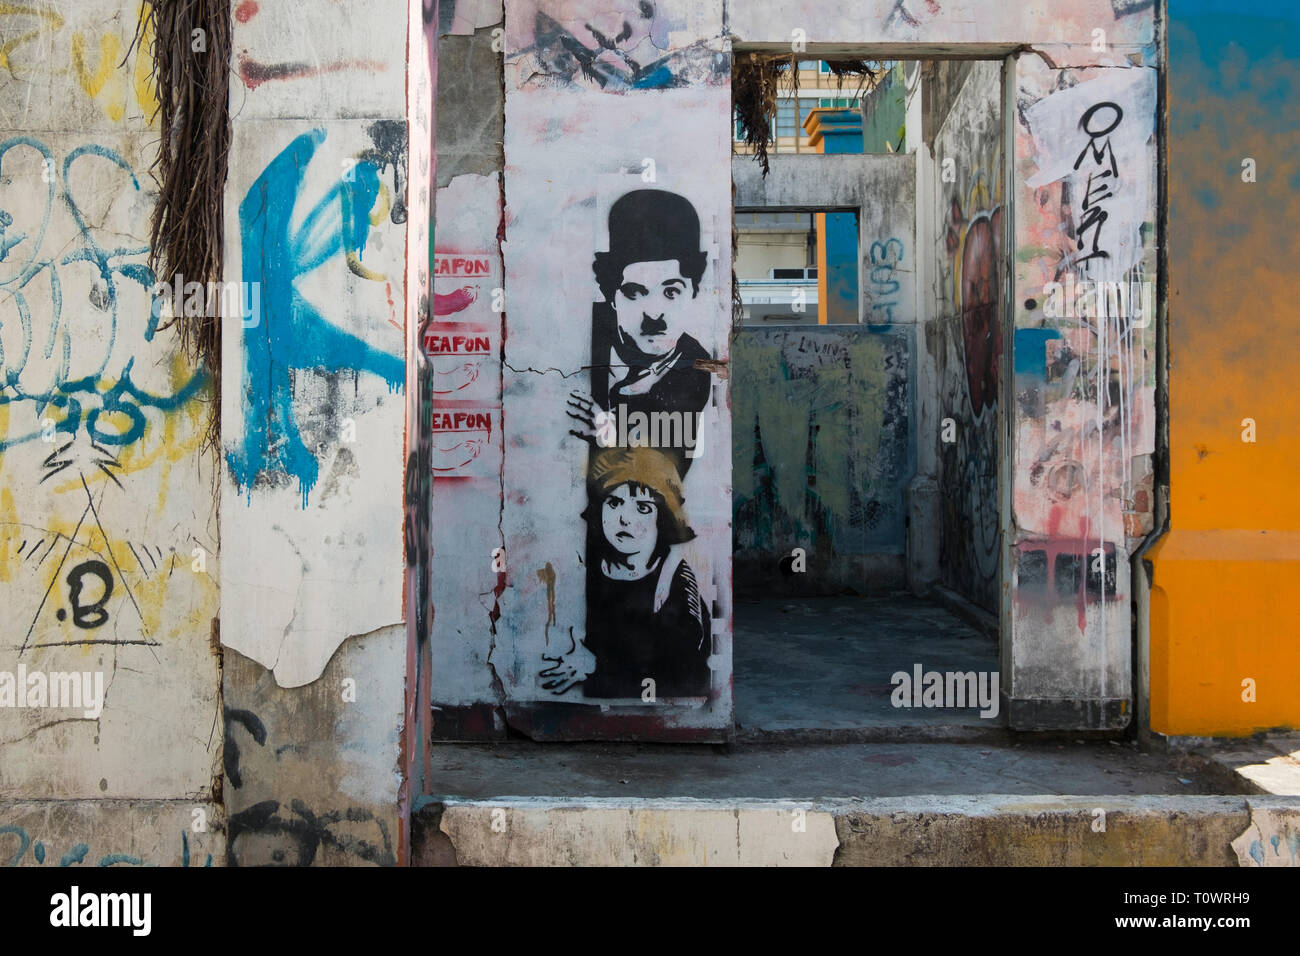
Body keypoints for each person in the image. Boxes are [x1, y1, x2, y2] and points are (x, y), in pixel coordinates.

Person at [540, 447, 711, 699]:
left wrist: (597, 667)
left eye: (642, 507)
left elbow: (683, 672)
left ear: (662, 517)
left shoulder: (674, 584)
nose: (624, 519)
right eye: (615, 502)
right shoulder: (591, 570)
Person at [567, 189, 713, 476]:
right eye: (635, 292)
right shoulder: (579, 335)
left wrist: (607, 431)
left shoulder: (697, 368)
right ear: (611, 295)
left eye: (671, 291)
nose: (654, 313)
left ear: (694, 290)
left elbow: (664, 477)